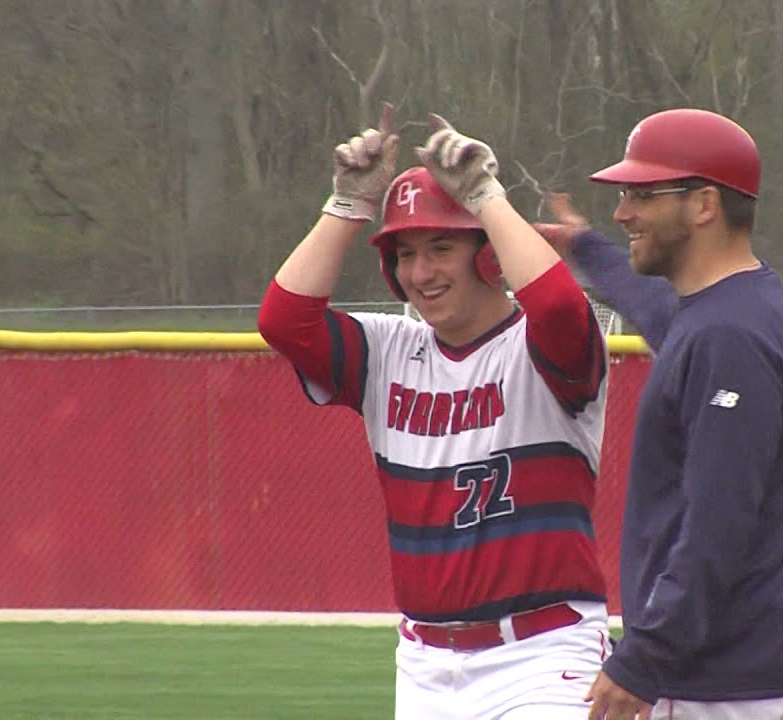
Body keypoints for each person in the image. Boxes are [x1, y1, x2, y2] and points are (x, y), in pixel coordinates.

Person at [257, 104, 614, 720]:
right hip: (424, 665)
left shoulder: (540, 344)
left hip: (543, 651)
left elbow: (557, 309)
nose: (421, 272)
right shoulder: (387, 350)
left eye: (441, 247)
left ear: (489, 255)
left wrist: (485, 196)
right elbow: (283, 321)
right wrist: (346, 206)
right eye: (405, 255)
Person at [538, 108, 783, 720]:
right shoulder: (730, 304)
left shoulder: (728, 336)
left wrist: (644, 660)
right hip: (749, 663)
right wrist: (588, 249)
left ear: (704, 204)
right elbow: (657, 306)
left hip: (725, 680)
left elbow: (717, 525)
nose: (624, 212)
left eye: (642, 195)